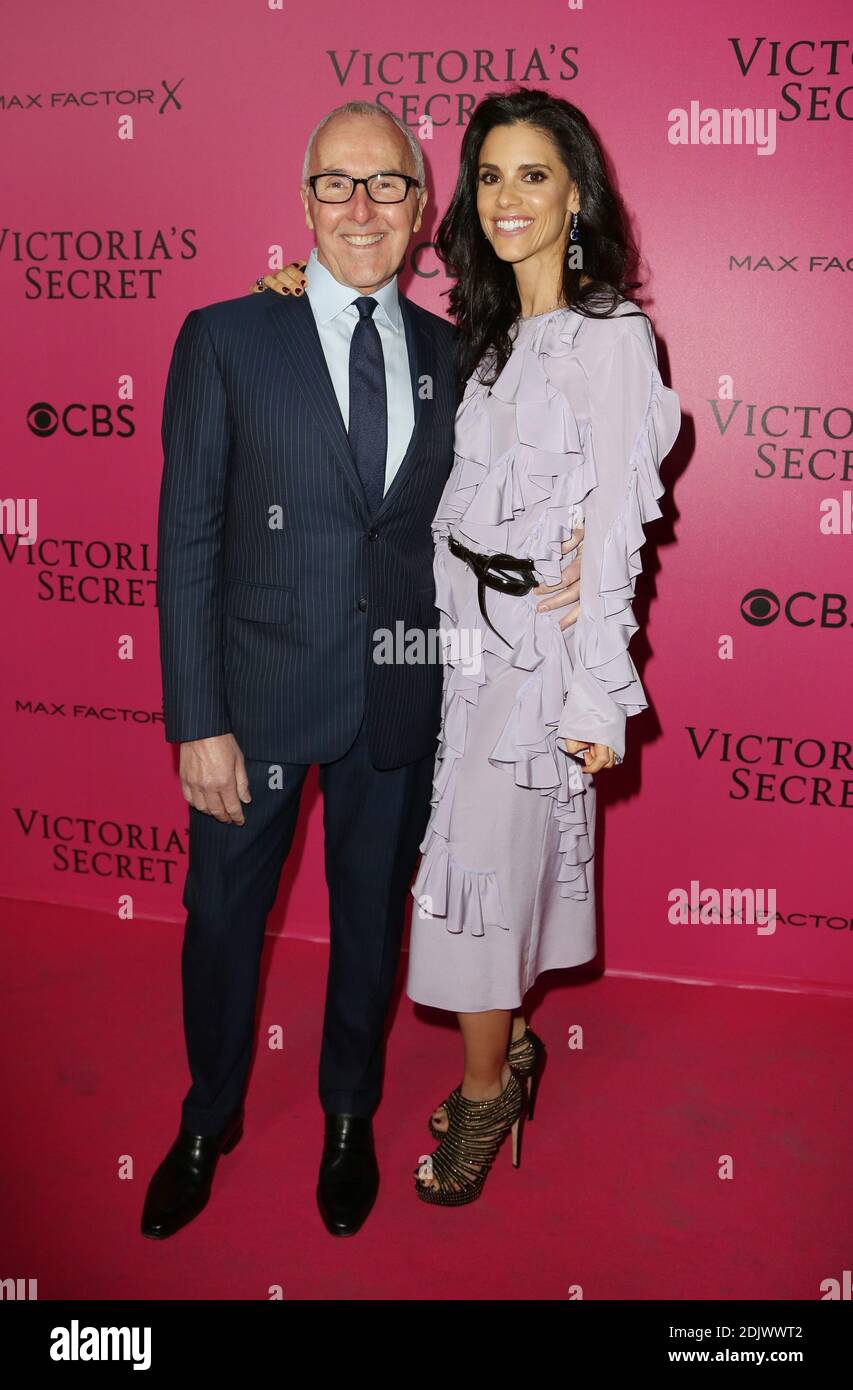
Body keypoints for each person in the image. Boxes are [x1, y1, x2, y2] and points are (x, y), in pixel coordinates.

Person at [142, 98, 582, 1241]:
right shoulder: (227, 338)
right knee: (222, 923)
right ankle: (206, 1118)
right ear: (302, 203)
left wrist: (573, 576)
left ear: (422, 208)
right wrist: (198, 718)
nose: (360, 207)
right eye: (336, 184)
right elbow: (187, 534)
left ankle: (349, 1115)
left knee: (372, 929)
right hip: (256, 706)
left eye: (386, 184)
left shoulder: (457, 355)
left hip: (401, 697)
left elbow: (505, 512)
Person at [262, 87, 681, 1206]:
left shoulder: (611, 336)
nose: (506, 198)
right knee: (462, 873)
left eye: (533, 175)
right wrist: (294, 298)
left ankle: (487, 1089)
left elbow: (620, 530)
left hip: (540, 666)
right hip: (461, 650)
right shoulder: (487, 342)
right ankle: (504, 1061)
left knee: (472, 890)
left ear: (577, 193)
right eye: (490, 175)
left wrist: (597, 693)